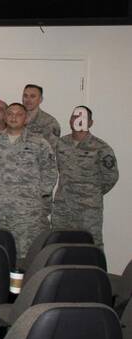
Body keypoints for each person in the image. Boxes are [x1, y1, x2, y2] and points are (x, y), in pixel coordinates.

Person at [0, 102, 58, 263]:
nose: (13, 117)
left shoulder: (39, 143)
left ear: (26, 119)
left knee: (25, 255)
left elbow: (50, 171)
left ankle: (24, 287)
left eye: (18, 114)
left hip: (27, 212)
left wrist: (38, 197)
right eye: (10, 113)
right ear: (5, 117)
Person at [52, 106, 119, 248]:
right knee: (60, 244)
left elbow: (111, 176)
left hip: (88, 209)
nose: (78, 120)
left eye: (82, 118)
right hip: (63, 206)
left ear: (90, 123)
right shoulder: (60, 144)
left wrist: (91, 193)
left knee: (91, 244)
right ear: (70, 120)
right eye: (75, 117)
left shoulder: (101, 147)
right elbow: (57, 168)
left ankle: (94, 270)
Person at [21, 83, 61, 148]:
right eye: (25, 96)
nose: (28, 100)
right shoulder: (14, 118)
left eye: (32, 96)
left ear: (40, 99)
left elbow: (50, 149)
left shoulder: (49, 122)